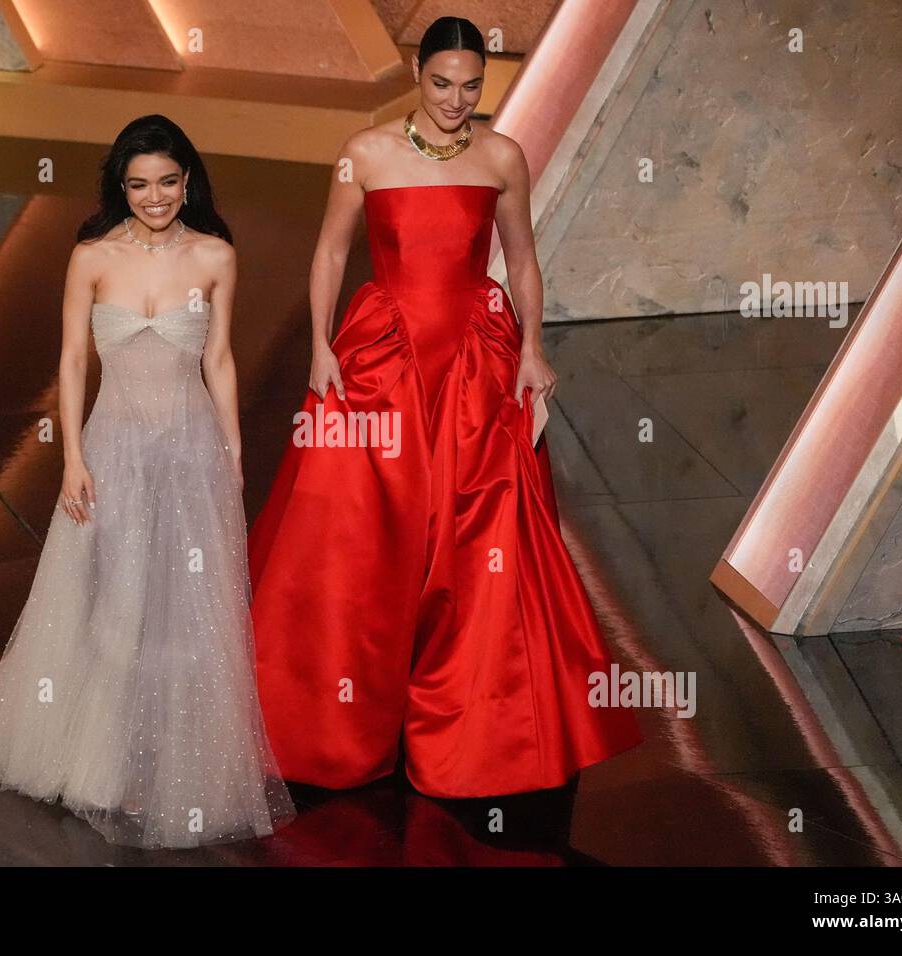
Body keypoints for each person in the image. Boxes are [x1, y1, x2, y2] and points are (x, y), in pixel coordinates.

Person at [247, 17, 643, 800]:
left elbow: (523, 260)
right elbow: (330, 249)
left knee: (480, 532)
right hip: (381, 355)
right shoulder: (365, 153)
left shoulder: (502, 157)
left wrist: (533, 348)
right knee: (357, 526)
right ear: (416, 74)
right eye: (442, 83)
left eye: (471, 87)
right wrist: (320, 347)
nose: (457, 100)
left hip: (473, 359)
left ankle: (473, 729)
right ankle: (334, 720)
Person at [0, 114, 295, 849]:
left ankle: (170, 765)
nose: (155, 197)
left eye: (168, 181)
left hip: (190, 447)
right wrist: (73, 455)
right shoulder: (92, 257)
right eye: (139, 184)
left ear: (188, 180)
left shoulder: (214, 255)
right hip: (112, 448)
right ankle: (96, 766)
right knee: (108, 602)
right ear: (120, 186)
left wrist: (231, 453)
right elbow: (71, 363)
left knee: (186, 611)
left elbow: (221, 360)